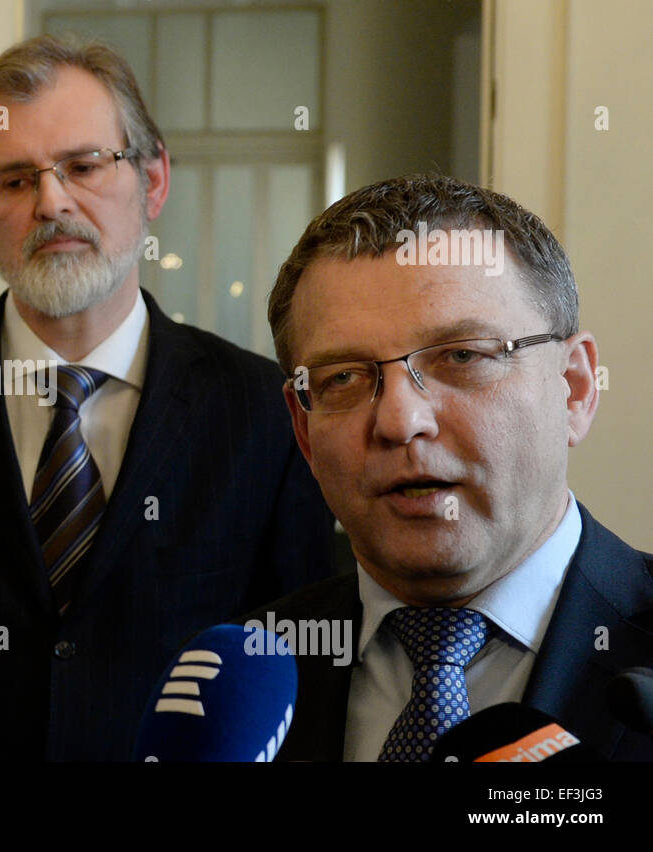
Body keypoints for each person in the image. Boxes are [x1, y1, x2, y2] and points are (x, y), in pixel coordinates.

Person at [0, 34, 337, 761]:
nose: (51, 201)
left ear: (153, 181)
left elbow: (297, 658)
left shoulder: (261, 412)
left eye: (84, 166)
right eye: (15, 180)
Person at [253, 173, 653, 761]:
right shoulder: (244, 677)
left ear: (574, 388)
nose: (399, 420)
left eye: (463, 356)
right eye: (343, 377)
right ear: (304, 432)